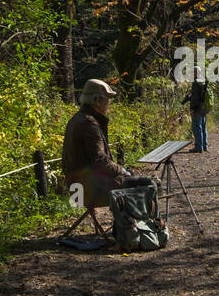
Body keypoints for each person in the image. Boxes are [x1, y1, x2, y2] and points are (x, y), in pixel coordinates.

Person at [62, 79, 153, 213]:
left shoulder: (78, 118)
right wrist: (123, 171)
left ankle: (124, 226)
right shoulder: (89, 124)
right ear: (97, 100)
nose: (109, 103)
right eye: (108, 99)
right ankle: (137, 230)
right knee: (146, 184)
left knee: (131, 175)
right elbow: (100, 162)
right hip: (86, 190)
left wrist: (123, 172)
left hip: (78, 186)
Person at [181, 68, 209, 152]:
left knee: (196, 127)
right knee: (203, 127)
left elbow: (195, 98)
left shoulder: (196, 83)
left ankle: (198, 147)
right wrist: (185, 100)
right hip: (204, 108)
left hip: (197, 108)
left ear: (196, 73)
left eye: (192, 72)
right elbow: (197, 95)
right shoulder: (203, 81)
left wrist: (192, 109)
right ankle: (204, 146)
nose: (191, 74)